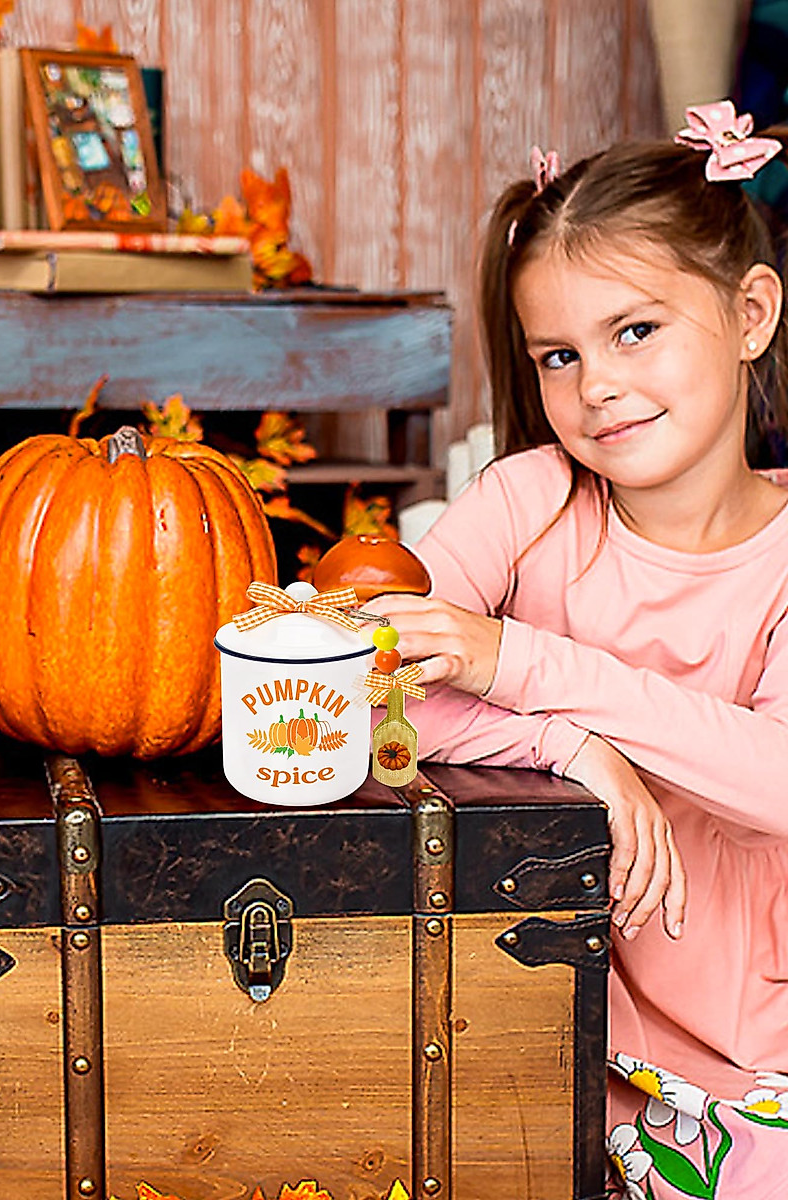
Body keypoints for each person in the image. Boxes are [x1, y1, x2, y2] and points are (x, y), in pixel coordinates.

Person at [364, 107, 788, 1196]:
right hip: (576, 1036)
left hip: (767, 1047)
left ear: (750, 313)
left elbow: (776, 777)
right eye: (560, 353)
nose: (595, 383)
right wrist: (574, 751)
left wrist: (524, 662)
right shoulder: (529, 502)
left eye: (634, 331)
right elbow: (373, 697)